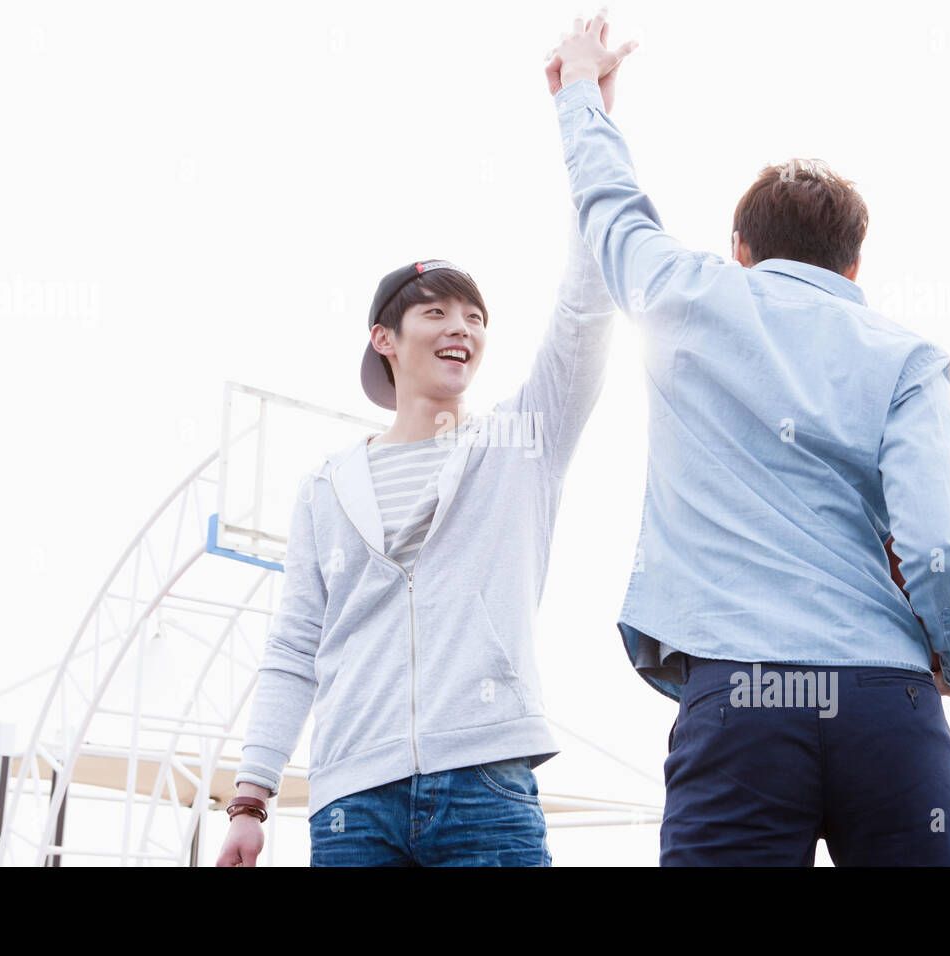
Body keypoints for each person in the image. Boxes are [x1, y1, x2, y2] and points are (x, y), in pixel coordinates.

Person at [545, 9, 950, 865]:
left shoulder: (683, 294)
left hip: (740, 700)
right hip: (884, 699)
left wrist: (581, 93)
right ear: (855, 264)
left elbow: (611, 204)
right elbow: (941, 547)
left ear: (740, 247)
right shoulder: (908, 358)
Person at [215, 55, 637, 865]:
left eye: (475, 317)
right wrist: (251, 797)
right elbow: (295, 647)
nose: (462, 329)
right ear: (385, 338)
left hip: (486, 785)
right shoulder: (326, 488)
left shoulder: (521, 444)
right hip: (351, 801)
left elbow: (586, 305)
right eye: (437, 312)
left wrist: (587, 121)